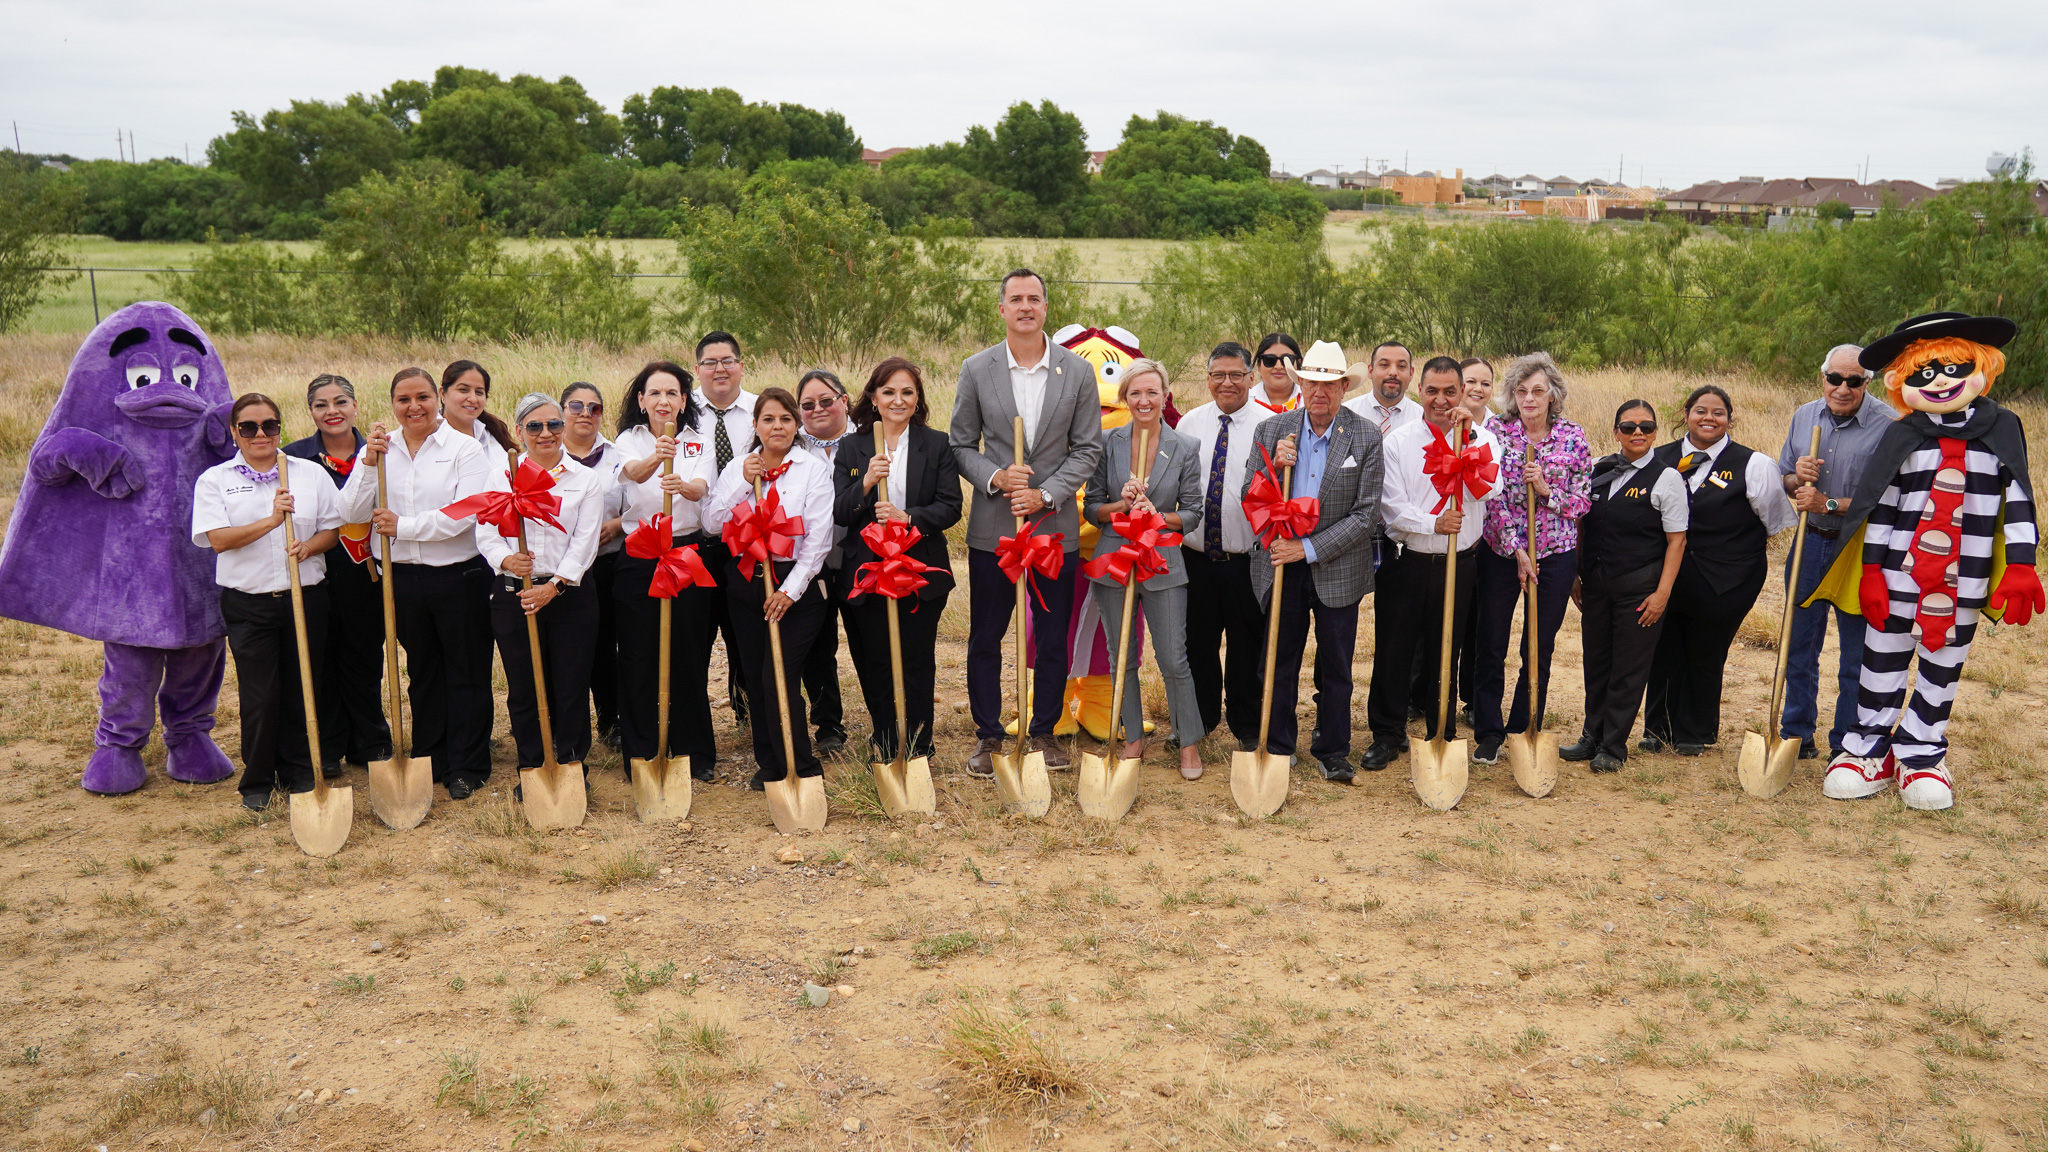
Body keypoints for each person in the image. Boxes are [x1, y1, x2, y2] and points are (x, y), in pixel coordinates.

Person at [949, 269, 1105, 778]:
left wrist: (1045, 492)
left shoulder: (1076, 373)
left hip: (1054, 527)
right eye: (1015, 299)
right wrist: (997, 477)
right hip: (995, 528)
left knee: (1053, 635)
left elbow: (1087, 450)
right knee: (987, 636)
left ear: (1045, 306)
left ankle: (1044, 733)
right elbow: (959, 445)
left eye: (1034, 298)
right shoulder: (977, 369)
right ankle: (989, 736)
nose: (1025, 306)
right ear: (1002, 309)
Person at [340, 367, 504, 799]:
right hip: (400, 579)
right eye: (403, 399)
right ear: (392, 404)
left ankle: (468, 764)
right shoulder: (379, 450)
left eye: (422, 398)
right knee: (424, 672)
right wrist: (368, 462)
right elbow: (351, 510)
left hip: (458, 577)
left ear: (438, 399)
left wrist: (402, 526)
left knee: (466, 671)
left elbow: (466, 513)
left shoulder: (465, 449)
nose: (414, 407)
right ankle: (432, 757)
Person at [193, 394, 343, 809]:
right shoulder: (215, 480)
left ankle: (298, 772)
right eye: (249, 427)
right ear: (234, 432)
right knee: (261, 694)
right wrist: (272, 521)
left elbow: (333, 530)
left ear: (280, 428)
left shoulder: (310, 474)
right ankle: (258, 779)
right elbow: (219, 541)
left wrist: (310, 547)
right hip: (249, 603)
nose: (261, 434)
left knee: (302, 687)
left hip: (305, 597)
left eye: (269, 426)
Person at [1244, 340, 1384, 782]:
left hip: (1335, 566)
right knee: (1280, 657)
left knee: (1337, 664)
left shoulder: (1364, 435)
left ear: (1344, 387)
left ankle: (1332, 749)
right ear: (1299, 382)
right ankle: (1280, 746)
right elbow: (1253, 494)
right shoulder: (1273, 430)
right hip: (1280, 565)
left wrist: (1306, 548)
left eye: (1330, 384)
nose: (1319, 392)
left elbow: (1367, 515)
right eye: (1312, 382)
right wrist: (1272, 470)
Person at [1362, 356, 1505, 770]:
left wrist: (1466, 438)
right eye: (1432, 391)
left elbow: (1489, 487)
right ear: (1419, 392)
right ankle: (1387, 734)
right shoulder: (1398, 441)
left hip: (1461, 564)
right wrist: (1434, 523)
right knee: (1395, 648)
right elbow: (1391, 507)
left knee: (1449, 646)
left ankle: (1440, 731)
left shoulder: (1484, 439)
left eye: (1449, 391)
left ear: (1463, 393)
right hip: (1408, 561)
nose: (1440, 400)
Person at [1641, 385, 1797, 754]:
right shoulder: (1656, 458)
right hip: (1664, 574)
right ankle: (1657, 730)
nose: (1708, 418)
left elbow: (1774, 523)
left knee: (1706, 650)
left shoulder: (1754, 464)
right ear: (1685, 413)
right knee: (1661, 650)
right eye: (1700, 410)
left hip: (1728, 579)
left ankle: (1694, 733)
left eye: (1718, 412)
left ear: (1730, 418)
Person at [703, 387, 838, 788]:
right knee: (754, 675)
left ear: (796, 425)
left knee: (778, 675)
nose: (776, 426)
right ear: (756, 425)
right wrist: (744, 484)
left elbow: (818, 542)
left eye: (785, 419)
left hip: (798, 584)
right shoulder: (738, 469)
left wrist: (788, 592)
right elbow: (712, 523)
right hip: (748, 581)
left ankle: (802, 766)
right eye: (768, 419)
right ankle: (771, 764)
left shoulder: (812, 469)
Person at [833, 357, 962, 762]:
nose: (898, 399)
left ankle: (919, 743)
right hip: (867, 569)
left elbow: (951, 505)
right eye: (888, 391)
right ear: (873, 396)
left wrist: (910, 518)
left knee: (916, 658)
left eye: (907, 392)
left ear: (917, 398)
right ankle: (887, 740)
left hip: (919, 568)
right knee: (875, 660)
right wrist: (867, 481)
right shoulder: (852, 446)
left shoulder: (936, 443)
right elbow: (839, 511)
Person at [1083, 359, 1206, 778]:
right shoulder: (1106, 442)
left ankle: (1188, 743)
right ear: (1125, 398)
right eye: (1135, 393)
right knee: (1122, 658)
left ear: (1164, 395)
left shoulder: (1186, 447)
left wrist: (1158, 513)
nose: (1144, 400)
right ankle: (1133, 736)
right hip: (1115, 560)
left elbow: (1192, 513)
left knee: (1173, 658)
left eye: (1152, 392)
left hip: (1162, 560)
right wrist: (1121, 503)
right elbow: (1092, 509)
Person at [1471, 354, 1592, 765]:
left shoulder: (1573, 437)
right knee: (1490, 642)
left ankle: (1522, 727)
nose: (1529, 399)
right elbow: (1489, 498)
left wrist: (1545, 490)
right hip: (1503, 552)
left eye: (1537, 390)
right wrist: (1516, 549)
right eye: (1521, 391)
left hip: (1556, 556)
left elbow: (1581, 503)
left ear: (1553, 395)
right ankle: (1487, 732)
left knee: (1537, 645)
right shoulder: (1495, 431)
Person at [477, 394, 605, 779]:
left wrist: (555, 586)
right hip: (514, 595)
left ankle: (569, 764)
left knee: (570, 682)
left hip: (569, 595)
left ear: (564, 428)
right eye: (534, 426)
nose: (544, 433)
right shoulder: (501, 476)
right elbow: (484, 530)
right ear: (519, 432)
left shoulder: (585, 480)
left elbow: (586, 541)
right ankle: (532, 765)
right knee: (524, 686)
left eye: (553, 425)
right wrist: (505, 559)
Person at [1774, 345, 1890, 760]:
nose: (1842, 388)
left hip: (1857, 549)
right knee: (1798, 645)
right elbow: (1785, 475)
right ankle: (1796, 734)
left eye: (1853, 381)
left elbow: (1885, 498)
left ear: (1867, 383)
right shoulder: (1805, 415)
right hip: (1809, 543)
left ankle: (1847, 743)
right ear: (1822, 377)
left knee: (1855, 656)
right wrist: (1795, 479)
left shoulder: (1889, 426)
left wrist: (1826, 502)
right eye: (1834, 379)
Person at [1561, 401, 1689, 772]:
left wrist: (1662, 595)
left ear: (1655, 433)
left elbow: (1677, 542)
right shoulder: (1599, 469)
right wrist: (1574, 574)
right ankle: (1592, 736)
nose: (1638, 433)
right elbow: (1581, 524)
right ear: (1616, 431)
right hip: (1596, 587)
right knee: (1596, 663)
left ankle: (1613, 746)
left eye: (1646, 427)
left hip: (1640, 591)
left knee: (1627, 669)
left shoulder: (1667, 479)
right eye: (1629, 427)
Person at [612, 361, 718, 780]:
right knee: (638, 654)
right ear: (641, 400)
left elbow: (700, 488)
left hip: (685, 550)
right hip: (640, 552)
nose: (663, 400)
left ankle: (693, 752)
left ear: (683, 400)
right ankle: (641, 751)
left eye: (672, 393)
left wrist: (684, 486)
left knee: (688, 652)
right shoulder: (626, 440)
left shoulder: (699, 442)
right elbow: (631, 476)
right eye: (654, 393)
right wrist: (658, 458)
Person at [284, 373, 392, 777]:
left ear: (356, 406)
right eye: (321, 404)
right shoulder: (292, 459)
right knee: (321, 661)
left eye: (341, 402)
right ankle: (327, 746)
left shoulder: (382, 452)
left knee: (364, 660)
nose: (332, 411)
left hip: (365, 574)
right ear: (310, 411)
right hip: (316, 573)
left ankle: (371, 741)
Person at [1177, 341, 1267, 748]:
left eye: (1236, 375)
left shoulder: (1272, 425)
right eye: (1218, 375)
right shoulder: (1189, 425)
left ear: (1251, 377)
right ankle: (1200, 722)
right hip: (1195, 557)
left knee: (1248, 647)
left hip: (1248, 559)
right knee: (1197, 643)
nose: (1226, 383)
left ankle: (1248, 727)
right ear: (1208, 379)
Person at [692, 332, 758, 725]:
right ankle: (693, 720)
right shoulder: (682, 413)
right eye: (711, 362)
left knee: (743, 632)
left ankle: (748, 712)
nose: (720, 369)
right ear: (697, 369)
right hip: (696, 543)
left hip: (748, 541)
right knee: (697, 634)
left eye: (728, 360)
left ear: (741, 366)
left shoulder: (759, 411)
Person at [559, 381, 627, 749]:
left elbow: (638, 503)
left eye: (594, 407)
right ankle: (564, 725)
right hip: (563, 568)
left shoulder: (618, 456)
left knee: (607, 644)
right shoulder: (546, 456)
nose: (586, 413)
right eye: (576, 406)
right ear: (561, 412)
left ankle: (611, 720)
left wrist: (616, 525)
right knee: (570, 648)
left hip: (609, 561)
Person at [796, 368, 855, 754]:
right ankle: (828, 724)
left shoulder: (869, 438)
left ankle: (887, 718)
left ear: (844, 401)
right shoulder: (793, 444)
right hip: (811, 562)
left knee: (868, 643)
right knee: (816, 646)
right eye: (807, 404)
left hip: (857, 559)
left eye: (826, 400)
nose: (818, 409)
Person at [1343, 341, 1422, 438]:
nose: (1393, 372)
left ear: (1411, 373)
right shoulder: (1346, 415)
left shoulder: (1422, 419)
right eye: (1384, 365)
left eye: (1401, 366)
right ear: (1370, 371)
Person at [438, 359, 517, 454]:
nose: (473, 399)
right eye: (463, 390)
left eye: (479, 392)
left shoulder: (494, 433)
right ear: (443, 394)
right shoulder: (427, 436)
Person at [1248, 333, 1303, 415]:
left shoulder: (1311, 400)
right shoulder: (1245, 401)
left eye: (1286, 360)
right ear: (1258, 365)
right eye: (1270, 360)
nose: (1278, 366)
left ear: (1298, 364)